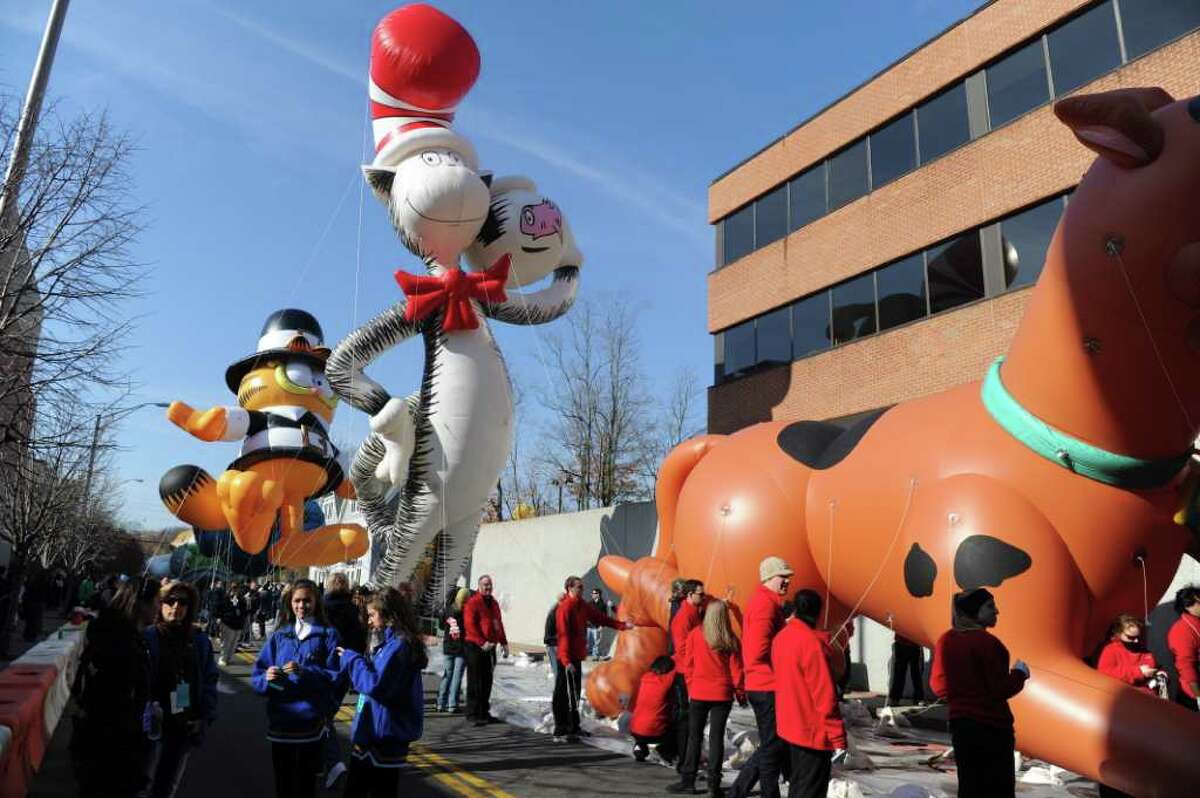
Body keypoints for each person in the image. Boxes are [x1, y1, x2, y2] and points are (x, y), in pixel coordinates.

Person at [931, 588, 1029, 798]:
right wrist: (1020, 674)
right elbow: (1000, 689)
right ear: (975, 611)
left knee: (970, 786)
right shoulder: (988, 644)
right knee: (998, 789)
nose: (997, 611)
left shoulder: (945, 640)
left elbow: (939, 686)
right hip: (993, 728)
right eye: (990, 606)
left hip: (962, 726)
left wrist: (962, 694)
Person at [251, 579, 341, 798]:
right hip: (280, 725)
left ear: (316, 601)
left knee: (306, 787)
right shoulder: (280, 634)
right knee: (283, 786)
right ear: (290, 603)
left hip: (311, 727)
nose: (302, 606)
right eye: (297, 601)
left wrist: (306, 673)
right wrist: (267, 678)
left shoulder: (328, 634)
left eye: (307, 600)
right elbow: (258, 675)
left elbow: (336, 677)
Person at [70, 577, 159, 798]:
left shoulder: (128, 637)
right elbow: (113, 702)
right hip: (112, 753)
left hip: (118, 747)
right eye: (158, 601)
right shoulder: (121, 644)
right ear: (141, 604)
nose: (160, 607)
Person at [336, 588, 427, 797]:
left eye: (372, 615)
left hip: (384, 736)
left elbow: (375, 685)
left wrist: (352, 659)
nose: (369, 621)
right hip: (372, 733)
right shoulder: (389, 644)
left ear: (389, 615)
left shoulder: (398, 647)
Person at [142, 580, 219, 798]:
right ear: (160, 603)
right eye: (170, 600)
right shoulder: (147, 636)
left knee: (168, 785)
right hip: (151, 723)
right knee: (143, 783)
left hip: (184, 722)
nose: (176, 606)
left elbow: (210, 680)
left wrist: (204, 715)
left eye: (183, 602)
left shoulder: (199, 640)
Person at [729, 557, 794, 798]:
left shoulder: (764, 602)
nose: (787, 581)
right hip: (766, 684)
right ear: (768, 577)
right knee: (772, 746)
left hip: (762, 683)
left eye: (788, 577)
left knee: (772, 744)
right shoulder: (766, 605)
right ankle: (766, 793)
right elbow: (758, 651)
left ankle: (739, 791)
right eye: (782, 576)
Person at [772, 591, 845, 798]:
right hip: (811, 730)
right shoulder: (812, 644)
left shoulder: (781, 638)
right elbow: (825, 696)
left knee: (798, 784)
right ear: (819, 613)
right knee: (810, 788)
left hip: (790, 725)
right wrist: (838, 736)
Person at [669, 598, 743, 797]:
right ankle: (713, 784)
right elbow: (736, 671)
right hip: (722, 693)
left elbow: (688, 664)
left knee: (695, 737)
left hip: (699, 692)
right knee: (716, 739)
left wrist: (691, 687)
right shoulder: (730, 639)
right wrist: (740, 692)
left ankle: (688, 780)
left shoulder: (696, 634)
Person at [553, 576, 631, 742]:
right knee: (563, 694)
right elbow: (563, 636)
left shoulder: (582, 605)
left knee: (574, 693)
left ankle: (573, 727)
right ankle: (560, 729)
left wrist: (622, 625)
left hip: (575, 656)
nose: (583, 590)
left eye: (582, 587)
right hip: (566, 658)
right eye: (579, 587)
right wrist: (566, 661)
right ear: (570, 588)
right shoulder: (565, 608)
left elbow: (600, 618)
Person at [1095, 614, 1162, 798]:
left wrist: (1158, 675)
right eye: (1130, 637)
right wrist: (1137, 672)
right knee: (1120, 757)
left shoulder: (1144, 650)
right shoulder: (1110, 650)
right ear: (1118, 634)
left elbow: (1150, 664)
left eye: (1138, 637)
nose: (1136, 641)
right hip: (1122, 709)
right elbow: (1104, 674)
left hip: (1144, 710)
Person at [321, 573, 365, 788]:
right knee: (327, 713)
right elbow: (360, 642)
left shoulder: (323, 608)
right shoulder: (353, 610)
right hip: (346, 667)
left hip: (326, 667)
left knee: (321, 716)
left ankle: (332, 761)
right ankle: (323, 761)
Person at [669, 579, 705, 777]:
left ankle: (686, 759)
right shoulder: (684, 616)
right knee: (685, 718)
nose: (703, 597)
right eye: (701, 594)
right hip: (685, 673)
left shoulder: (694, 612)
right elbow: (682, 649)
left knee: (689, 718)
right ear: (690, 595)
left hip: (690, 671)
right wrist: (693, 671)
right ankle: (684, 761)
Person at [463, 574, 508, 726]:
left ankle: (484, 712)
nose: (488, 587)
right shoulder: (473, 602)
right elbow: (470, 625)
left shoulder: (493, 603)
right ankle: (473, 713)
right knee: (475, 681)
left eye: (489, 585)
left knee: (487, 681)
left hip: (490, 647)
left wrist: (504, 642)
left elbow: (498, 624)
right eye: (485, 585)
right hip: (475, 646)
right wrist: (481, 642)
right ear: (479, 586)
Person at [630, 656, 679, 764]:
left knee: (644, 726)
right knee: (678, 727)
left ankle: (639, 748)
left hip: (635, 729)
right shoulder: (666, 681)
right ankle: (666, 751)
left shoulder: (645, 678)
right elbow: (677, 670)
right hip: (655, 732)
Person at [1167, 585, 1200, 712]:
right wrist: (1198, 697)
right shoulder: (1181, 630)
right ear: (1187, 606)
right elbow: (1185, 665)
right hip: (1193, 694)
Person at [437, 586, 469, 714]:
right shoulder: (466, 612)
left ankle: (440, 703)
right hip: (461, 648)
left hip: (448, 646)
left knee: (447, 675)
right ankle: (452, 704)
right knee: (457, 677)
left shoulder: (447, 610)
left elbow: (441, 626)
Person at [217, 582, 247, 667]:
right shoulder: (225, 598)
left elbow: (244, 611)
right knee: (226, 643)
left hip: (238, 624)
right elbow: (219, 609)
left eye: (236, 588)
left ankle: (228, 658)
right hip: (227, 623)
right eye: (233, 588)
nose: (235, 590)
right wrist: (219, 618)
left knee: (234, 644)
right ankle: (223, 658)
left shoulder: (241, 599)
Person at [889, 634, 925, 705]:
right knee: (899, 673)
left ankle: (919, 698)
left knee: (916, 674)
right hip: (901, 643)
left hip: (914, 644)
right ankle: (895, 699)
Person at [587, 588, 609, 659]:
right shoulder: (589, 603)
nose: (592, 595)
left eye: (594, 593)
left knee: (596, 641)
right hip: (589, 626)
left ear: (598, 594)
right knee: (589, 641)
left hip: (597, 626)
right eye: (592, 593)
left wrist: (602, 626)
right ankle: (589, 654)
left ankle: (595, 655)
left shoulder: (603, 605)